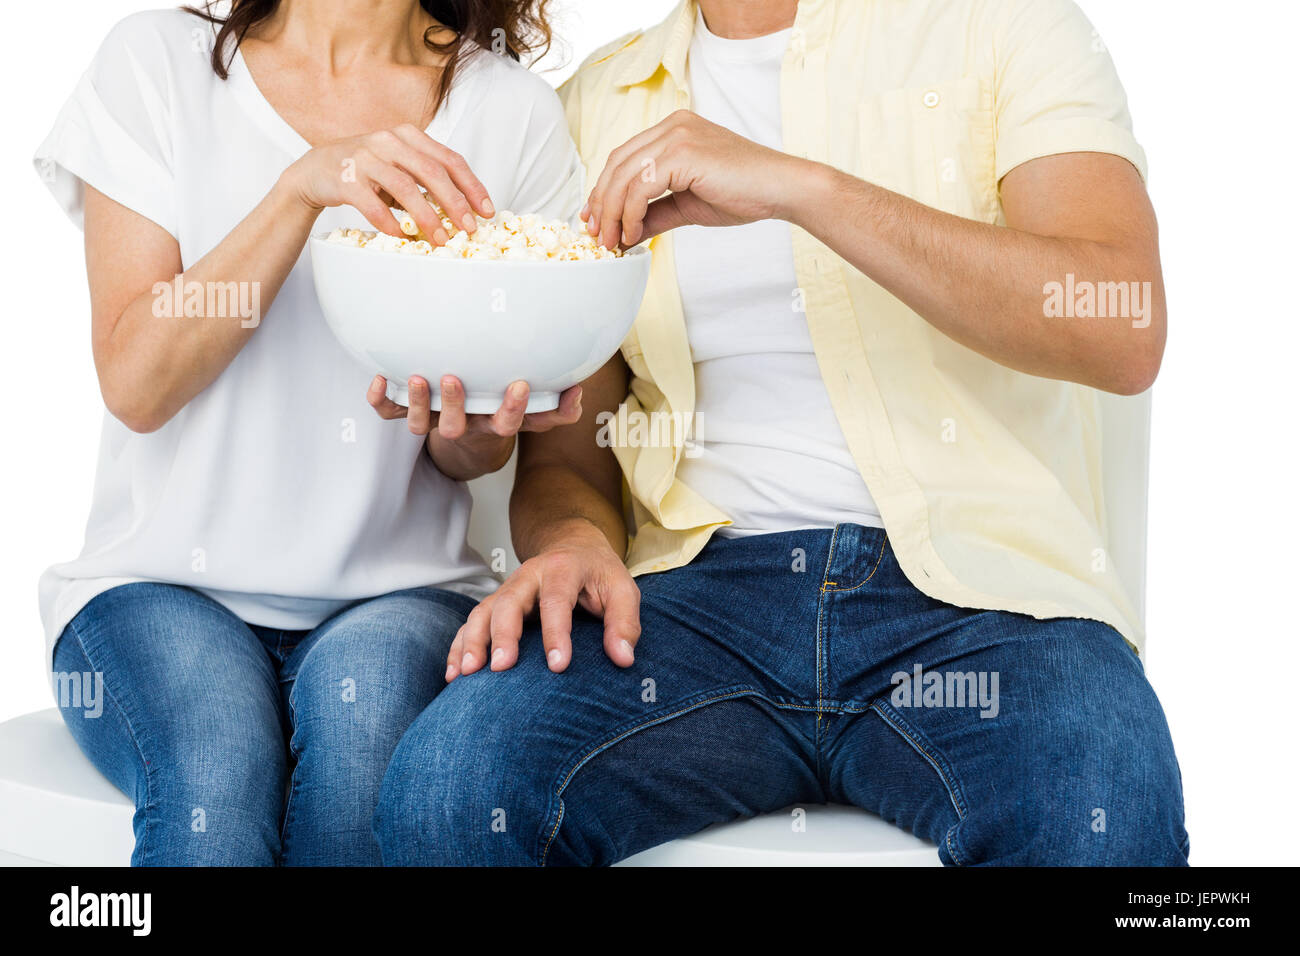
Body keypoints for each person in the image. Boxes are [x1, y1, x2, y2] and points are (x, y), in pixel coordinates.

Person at [375, 0, 1190, 866]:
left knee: (1100, 822)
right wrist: (574, 543)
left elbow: (1123, 325)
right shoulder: (595, 104)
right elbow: (573, 454)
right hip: (687, 613)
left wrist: (802, 188)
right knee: (450, 788)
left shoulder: (1007, 29)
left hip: (988, 608)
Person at [36, 0, 582, 866]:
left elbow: (472, 452)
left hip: (400, 592)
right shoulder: (157, 63)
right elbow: (135, 381)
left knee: (367, 761)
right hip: (159, 588)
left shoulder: (510, 113)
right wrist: (300, 188)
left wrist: (473, 431)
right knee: (217, 780)